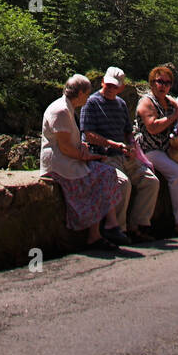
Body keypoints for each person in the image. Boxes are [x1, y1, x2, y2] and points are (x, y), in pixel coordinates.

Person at [40, 75, 129, 248]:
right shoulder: (60, 111)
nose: (88, 97)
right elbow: (64, 147)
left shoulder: (67, 107)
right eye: (87, 93)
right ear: (80, 93)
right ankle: (102, 230)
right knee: (101, 175)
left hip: (68, 158)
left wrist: (84, 150)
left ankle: (105, 228)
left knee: (106, 173)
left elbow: (69, 143)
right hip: (59, 163)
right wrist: (87, 156)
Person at [80, 66, 159, 243]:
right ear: (102, 82)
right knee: (123, 183)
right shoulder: (91, 103)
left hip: (124, 154)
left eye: (114, 86)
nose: (109, 88)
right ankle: (118, 228)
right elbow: (88, 135)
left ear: (121, 88)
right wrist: (112, 144)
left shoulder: (121, 104)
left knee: (151, 181)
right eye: (107, 84)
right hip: (103, 155)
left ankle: (138, 224)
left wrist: (131, 147)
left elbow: (127, 132)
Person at [135, 65, 178, 237]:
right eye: (160, 82)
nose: (163, 86)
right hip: (150, 150)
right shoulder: (146, 102)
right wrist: (174, 116)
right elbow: (152, 127)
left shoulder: (169, 101)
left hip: (166, 149)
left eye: (167, 82)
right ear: (152, 83)